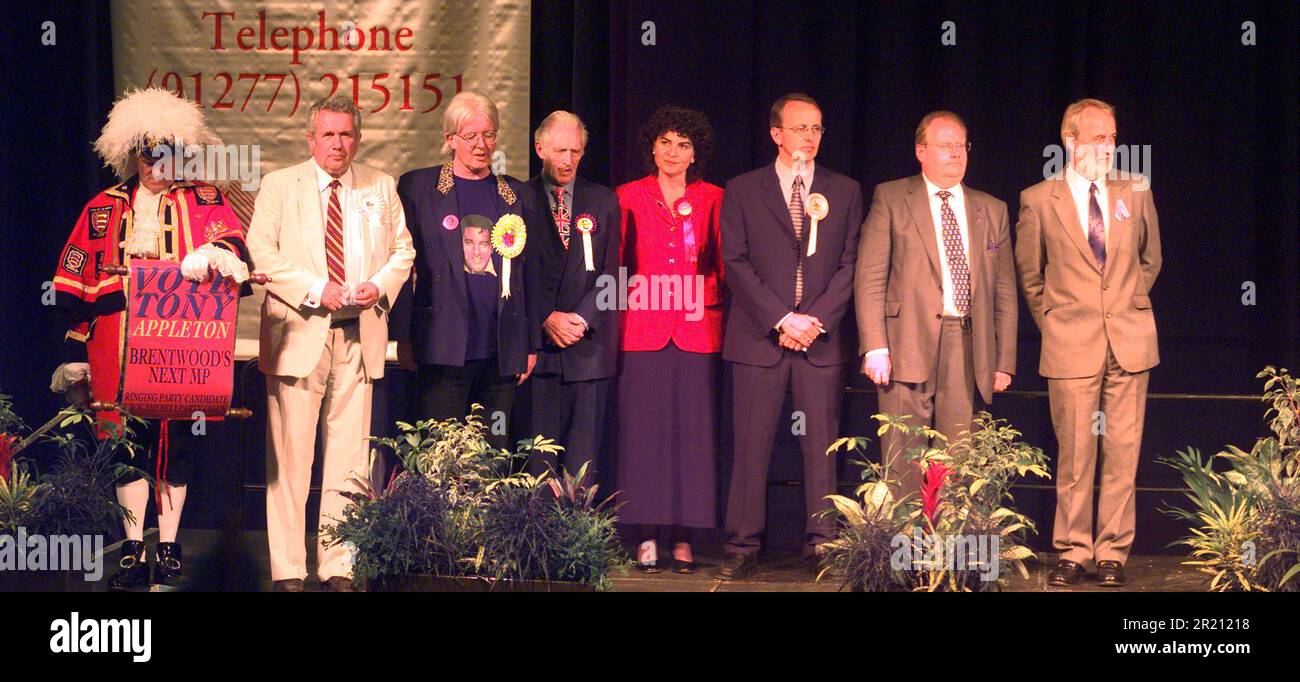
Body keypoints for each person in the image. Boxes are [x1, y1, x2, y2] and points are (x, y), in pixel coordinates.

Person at [49, 87, 251, 590]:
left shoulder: (205, 199)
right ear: (132, 154)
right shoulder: (103, 206)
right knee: (124, 446)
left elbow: (235, 248)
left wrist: (212, 253)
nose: (152, 165)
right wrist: (76, 354)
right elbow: (74, 284)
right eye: (144, 154)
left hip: (181, 347)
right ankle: (135, 549)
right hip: (113, 346)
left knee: (176, 446)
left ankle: (171, 547)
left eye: (162, 155)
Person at [246, 95, 415, 592]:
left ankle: (339, 563)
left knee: (348, 459)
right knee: (290, 460)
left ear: (357, 138)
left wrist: (379, 285)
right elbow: (262, 253)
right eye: (329, 134)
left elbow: (403, 250)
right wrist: (317, 288)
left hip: (358, 334)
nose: (338, 144)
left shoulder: (380, 185)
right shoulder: (280, 185)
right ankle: (288, 569)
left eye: (347, 134)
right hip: (300, 331)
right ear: (311, 138)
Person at [1015, 98, 1162, 588]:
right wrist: (1058, 322)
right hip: (1071, 345)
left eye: (1113, 137)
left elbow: (1150, 260)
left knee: (1123, 451)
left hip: (1130, 341)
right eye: (1098, 137)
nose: (1109, 146)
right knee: (1076, 454)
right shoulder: (1039, 199)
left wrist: (1124, 307)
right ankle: (1074, 550)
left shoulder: (1135, 189)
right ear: (1070, 140)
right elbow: (1030, 277)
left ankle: (1113, 552)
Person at [717, 93, 863, 580]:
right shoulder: (741, 189)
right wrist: (782, 319)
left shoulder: (844, 190)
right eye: (801, 129)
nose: (810, 138)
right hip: (760, 340)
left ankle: (822, 542)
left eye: (817, 129)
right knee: (751, 446)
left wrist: (813, 320)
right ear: (777, 134)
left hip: (819, 340)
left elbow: (850, 265)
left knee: (821, 447)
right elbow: (734, 264)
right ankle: (742, 544)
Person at [855, 111, 1017, 496]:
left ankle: (949, 546)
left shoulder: (991, 209)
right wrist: (875, 346)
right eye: (946, 147)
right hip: (905, 341)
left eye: (961, 146)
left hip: (968, 345)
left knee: (958, 458)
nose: (956, 155)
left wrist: (1003, 358)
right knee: (903, 457)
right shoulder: (892, 197)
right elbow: (870, 277)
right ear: (921, 151)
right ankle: (906, 550)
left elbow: (1005, 290)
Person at [390, 91, 538, 449]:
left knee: (494, 450)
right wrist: (403, 336)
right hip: (441, 346)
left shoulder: (516, 194)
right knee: (440, 452)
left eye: (488, 135)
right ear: (450, 139)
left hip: (500, 351)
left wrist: (529, 344)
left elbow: (529, 275)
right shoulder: (418, 187)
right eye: (470, 136)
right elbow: (401, 263)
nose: (480, 144)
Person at [614, 106, 724, 573]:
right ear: (652, 148)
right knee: (644, 436)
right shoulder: (628, 196)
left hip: (698, 332)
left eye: (683, 144)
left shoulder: (714, 198)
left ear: (695, 152)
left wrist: (700, 296)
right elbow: (617, 266)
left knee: (692, 438)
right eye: (666, 143)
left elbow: (724, 264)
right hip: (643, 331)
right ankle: (645, 534)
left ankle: (683, 537)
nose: (673, 152)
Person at [524, 112, 621, 480]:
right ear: (540, 149)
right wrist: (545, 317)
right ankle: (537, 536)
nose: (568, 160)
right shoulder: (518, 197)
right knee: (537, 462)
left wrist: (580, 319)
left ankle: (580, 538)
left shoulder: (603, 200)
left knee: (583, 467)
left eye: (575, 151)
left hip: (587, 350)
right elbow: (511, 275)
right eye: (561, 150)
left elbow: (613, 273)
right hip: (538, 352)